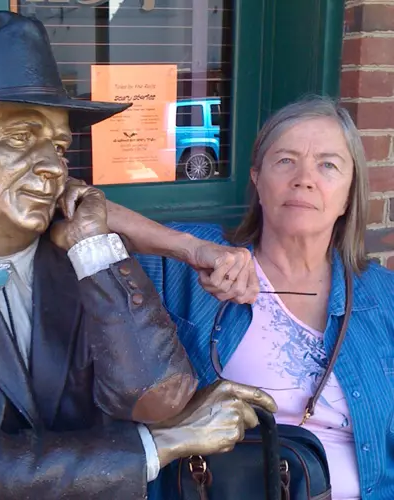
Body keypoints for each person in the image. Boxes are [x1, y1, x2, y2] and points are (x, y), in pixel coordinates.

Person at [0, 11, 277, 500]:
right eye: (19, 138)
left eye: (58, 144)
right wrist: (161, 446)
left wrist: (97, 247)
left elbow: (157, 398)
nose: (53, 166)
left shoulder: (80, 257)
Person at [108, 96, 394, 500]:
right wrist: (189, 249)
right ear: (257, 178)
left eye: (328, 165)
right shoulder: (198, 264)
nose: (304, 179)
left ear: (349, 193)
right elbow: (80, 212)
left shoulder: (383, 295)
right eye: (285, 161)